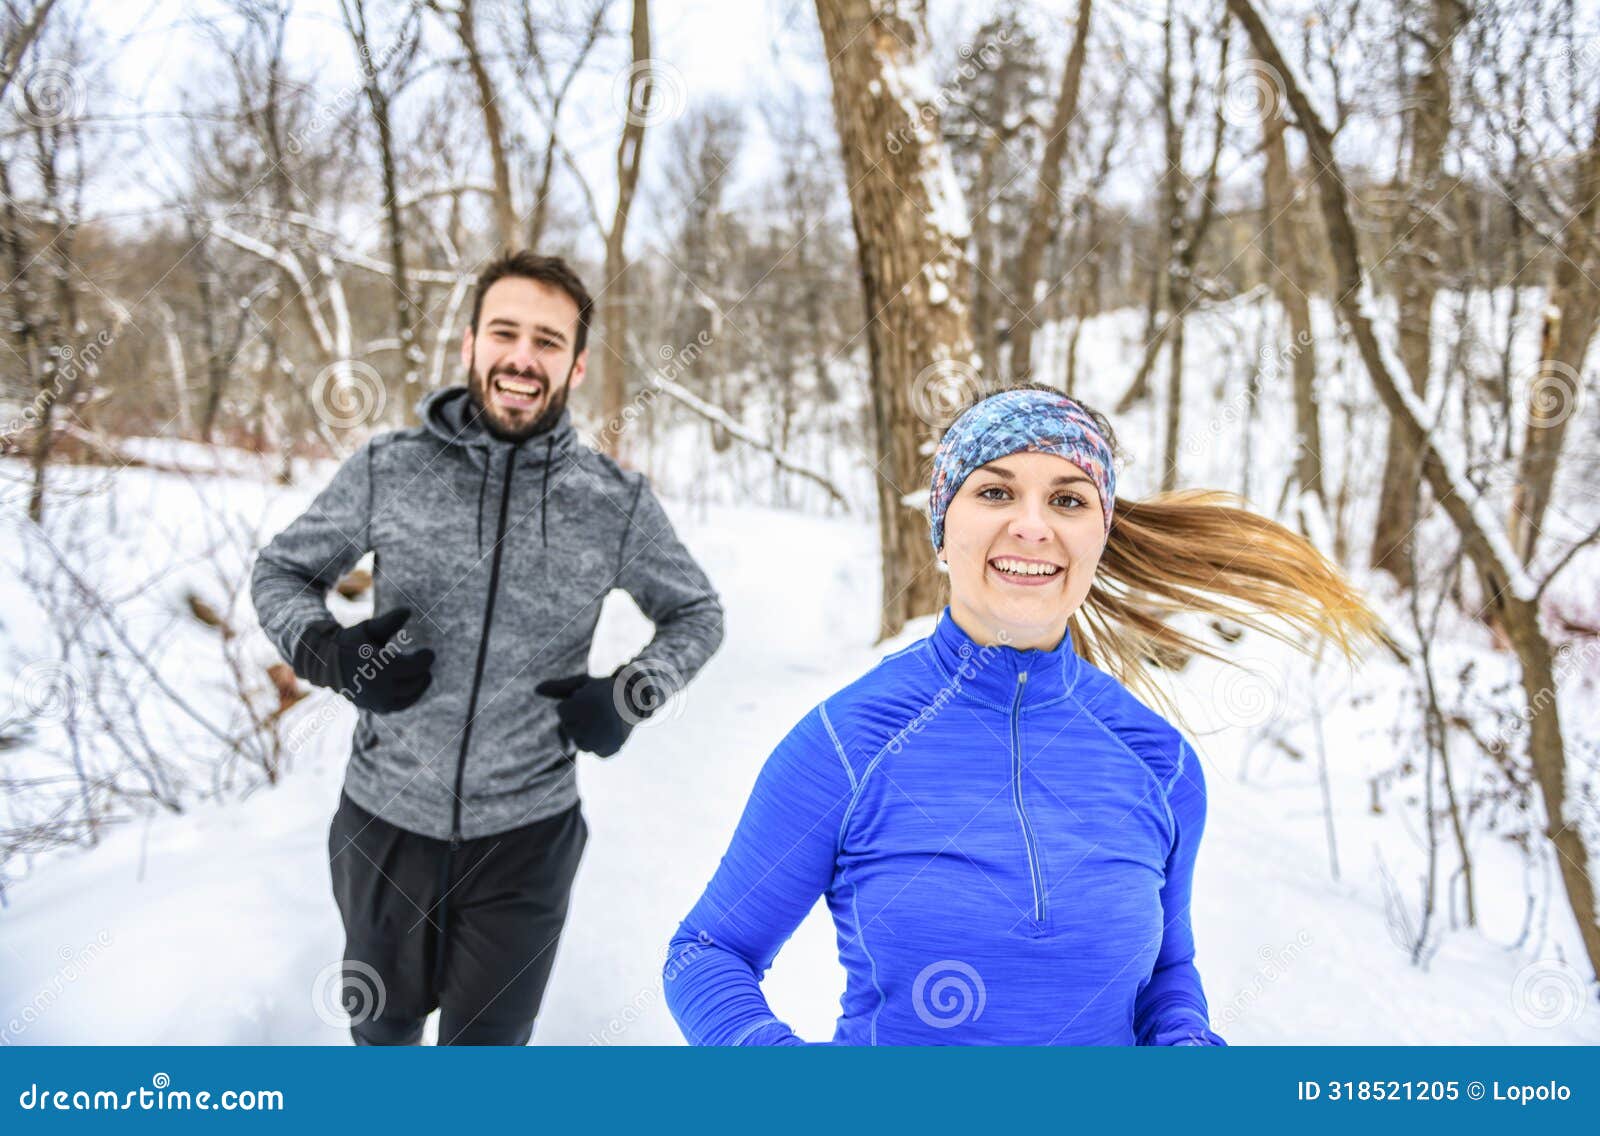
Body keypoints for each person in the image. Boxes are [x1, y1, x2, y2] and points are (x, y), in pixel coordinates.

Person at [663, 385, 1381, 1045]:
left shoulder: (1158, 761)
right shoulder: (850, 743)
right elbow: (707, 953)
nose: (1032, 527)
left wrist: (1185, 1044)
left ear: (1101, 534)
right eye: (996, 491)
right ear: (944, 530)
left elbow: (1168, 973)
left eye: (1068, 500)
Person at [252, 251, 725, 1046]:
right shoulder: (388, 470)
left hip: (528, 843)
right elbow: (282, 572)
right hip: (384, 827)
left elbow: (697, 613)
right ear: (470, 345)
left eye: (548, 341)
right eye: (505, 332)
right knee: (383, 1047)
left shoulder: (614, 503)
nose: (522, 357)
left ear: (574, 367)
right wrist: (329, 653)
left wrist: (634, 692)